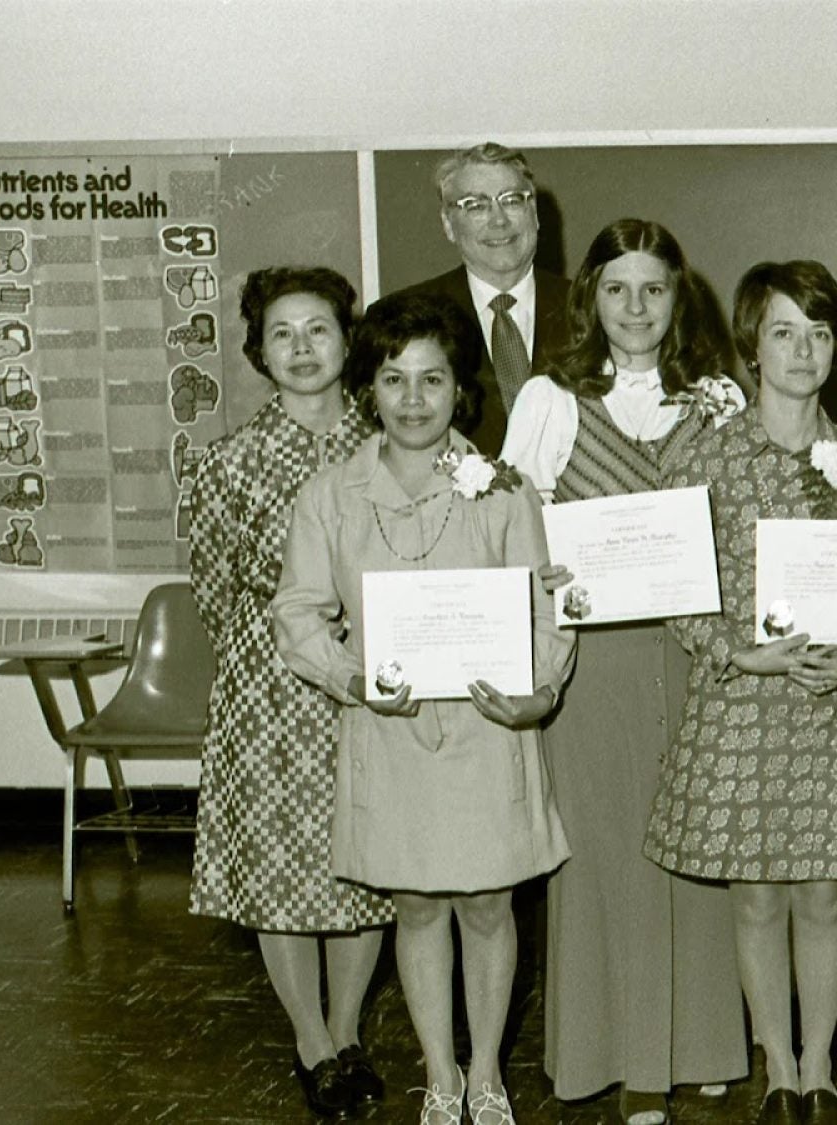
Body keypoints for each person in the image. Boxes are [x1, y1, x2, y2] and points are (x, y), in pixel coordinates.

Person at [272, 293, 575, 1125]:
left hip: (486, 729)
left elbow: (551, 606)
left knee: (486, 904)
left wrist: (536, 691)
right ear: (368, 387)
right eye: (394, 378)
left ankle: (487, 1076)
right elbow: (297, 612)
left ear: (458, 389)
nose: (413, 398)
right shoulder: (330, 495)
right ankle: (441, 1075)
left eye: (432, 379)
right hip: (391, 727)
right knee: (417, 906)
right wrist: (352, 676)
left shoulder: (502, 490)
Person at [501, 219, 748, 1123]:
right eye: (617, 289)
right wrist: (544, 573)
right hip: (594, 663)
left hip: (696, 654)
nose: (636, 309)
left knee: (699, 850)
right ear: (589, 299)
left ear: (679, 298)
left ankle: (709, 1041)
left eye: (654, 289)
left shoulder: (718, 397)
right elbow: (511, 525)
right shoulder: (549, 398)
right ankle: (629, 1057)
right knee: (609, 856)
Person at [645, 260, 837, 1125]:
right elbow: (674, 590)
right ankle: (777, 1069)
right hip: (741, 702)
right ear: (752, 345)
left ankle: (819, 1067)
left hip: (834, 701)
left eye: (819, 333)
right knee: (755, 893)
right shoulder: (702, 453)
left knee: (826, 892)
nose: (803, 350)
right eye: (784, 332)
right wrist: (735, 653)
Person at [188, 266, 392, 1120]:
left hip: (376, 681)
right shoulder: (228, 462)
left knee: (368, 864)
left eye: (319, 329)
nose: (303, 348)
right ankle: (309, 1037)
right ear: (258, 353)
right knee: (283, 869)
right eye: (282, 333)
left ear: (349, 342)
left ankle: (348, 1030)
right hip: (269, 694)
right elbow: (212, 587)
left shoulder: (394, 444)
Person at [389, 142, 572, 455]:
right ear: (448, 224)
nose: (498, 220)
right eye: (476, 205)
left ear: (535, 213)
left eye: (512, 200)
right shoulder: (402, 315)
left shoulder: (589, 306)